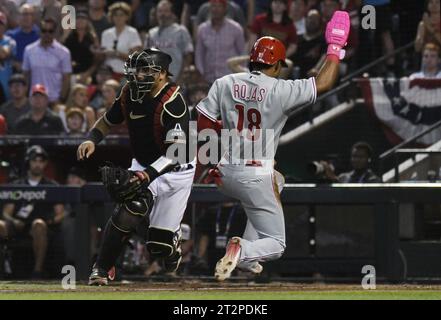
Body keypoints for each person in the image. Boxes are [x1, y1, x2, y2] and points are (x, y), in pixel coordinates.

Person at [196, 11, 350, 281]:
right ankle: (242, 251)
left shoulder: (225, 82)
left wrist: (211, 158)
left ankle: (246, 259)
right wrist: (335, 48)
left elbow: (204, 122)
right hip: (255, 176)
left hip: (225, 173)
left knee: (278, 180)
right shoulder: (280, 90)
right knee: (277, 244)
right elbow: (324, 82)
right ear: (277, 65)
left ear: (251, 60)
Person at [77, 48, 195, 285]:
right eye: (136, 70)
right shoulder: (128, 93)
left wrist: (146, 174)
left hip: (175, 170)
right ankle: (101, 268)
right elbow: (108, 120)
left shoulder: (174, 101)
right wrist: (92, 138)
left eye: (145, 71)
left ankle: (172, 243)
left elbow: (176, 153)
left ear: (162, 74)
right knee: (132, 206)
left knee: (159, 246)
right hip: (144, 163)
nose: (138, 76)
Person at [1, 145, 65, 278]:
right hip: (18, 226)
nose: (37, 164)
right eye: (34, 161)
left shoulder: (52, 185)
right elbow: (6, 213)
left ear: (45, 163)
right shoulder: (18, 184)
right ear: (28, 162)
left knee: (38, 224)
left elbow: (61, 213)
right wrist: (14, 220)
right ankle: (2, 269)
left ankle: (37, 271)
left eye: (41, 161)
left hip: (43, 227)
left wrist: (49, 221)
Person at [22, 18, 72, 104]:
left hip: (54, 100)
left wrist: (61, 99)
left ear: (55, 32)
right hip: (34, 100)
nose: (47, 34)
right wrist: (26, 96)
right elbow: (26, 75)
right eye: (44, 30)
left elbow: (66, 78)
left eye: (50, 31)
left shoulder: (64, 52)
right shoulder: (29, 50)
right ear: (39, 31)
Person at [195, 0, 245, 84]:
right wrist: (201, 74)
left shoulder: (236, 28)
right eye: (213, 6)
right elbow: (199, 55)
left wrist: (241, 77)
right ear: (210, 9)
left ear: (225, 9)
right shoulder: (202, 29)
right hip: (209, 79)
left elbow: (243, 55)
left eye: (219, 6)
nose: (216, 9)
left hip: (230, 80)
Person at [145, 0, 194, 84]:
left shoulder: (181, 31)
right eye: (160, 11)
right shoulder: (151, 34)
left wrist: (180, 79)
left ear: (171, 13)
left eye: (166, 11)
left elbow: (188, 56)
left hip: (176, 80)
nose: (162, 14)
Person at [101, 2, 142, 80]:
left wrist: (116, 54)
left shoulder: (132, 32)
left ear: (127, 17)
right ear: (112, 17)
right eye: (115, 15)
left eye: (121, 15)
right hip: (108, 74)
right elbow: (103, 55)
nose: (118, 17)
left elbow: (134, 58)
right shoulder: (106, 33)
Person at [6, 4, 39, 72]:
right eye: (24, 14)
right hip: (15, 74)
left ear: (33, 17)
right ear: (18, 16)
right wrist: (15, 64)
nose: (27, 17)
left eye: (30, 14)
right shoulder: (10, 35)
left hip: (35, 72)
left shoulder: (41, 35)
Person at [0, 11, 17, 101]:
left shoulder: (10, 41)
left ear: (5, 26)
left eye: (0, 24)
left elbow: (3, 54)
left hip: (6, 91)